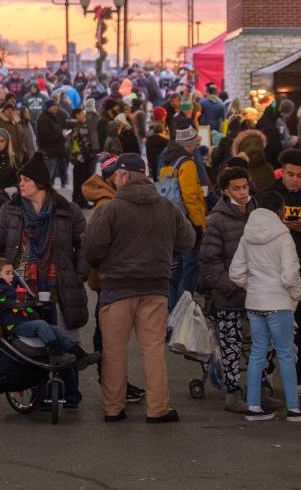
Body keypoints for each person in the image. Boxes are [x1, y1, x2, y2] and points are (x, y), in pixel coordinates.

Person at [82, 152, 195, 424]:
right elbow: (188, 241)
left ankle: (113, 408)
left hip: (116, 290)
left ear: (122, 176)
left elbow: (92, 249)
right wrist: (166, 253)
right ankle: (158, 409)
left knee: (114, 351)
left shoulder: (110, 209)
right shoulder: (167, 207)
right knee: (153, 349)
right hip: (155, 288)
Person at [0, 152, 90, 406]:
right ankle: (39, 394)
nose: (21, 184)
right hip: (22, 285)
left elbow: (84, 245)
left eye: (26, 179)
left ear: (41, 183)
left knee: (64, 335)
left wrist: (80, 273)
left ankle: (70, 395)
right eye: (20, 179)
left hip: (58, 284)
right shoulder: (11, 209)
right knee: (33, 341)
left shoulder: (67, 211)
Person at [228, 194, 301, 423]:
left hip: (255, 303)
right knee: (285, 353)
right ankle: (293, 408)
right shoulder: (284, 236)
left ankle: (253, 406)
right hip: (279, 303)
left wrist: (253, 287)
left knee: (256, 354)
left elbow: (235, 273)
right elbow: (290, 274)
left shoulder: (247, 235)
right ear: (280, 210)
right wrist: (297, 294)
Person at [199, 165, 255, 413]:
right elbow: (209, 262)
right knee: (231, 346)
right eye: (236, 188)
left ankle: (260, 387)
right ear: (225, 191)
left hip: (258, 294)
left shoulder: (257, 214)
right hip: (229, 296)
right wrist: (230, 287)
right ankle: (233, 393)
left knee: (260, 345)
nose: (242, 192)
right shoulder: (217, 221)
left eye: (245, 187)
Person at [0, 257, 98, 368]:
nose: (12, 276)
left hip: (25, 321)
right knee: (41, 325)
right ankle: (55, 354)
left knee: (54, 329)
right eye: (7, 273)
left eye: (12, 273)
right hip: (12, 325)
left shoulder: (12, 287)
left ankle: (80, 355)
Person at [268, 149, 301, 397]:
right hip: (273, 272)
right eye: (290, 174)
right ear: (282, 172)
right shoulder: (269, 195)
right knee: (270, 326)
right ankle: (266, 374)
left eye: (300, 175)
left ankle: (300, 378)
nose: (295, 179)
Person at [158, 125, 207, 309]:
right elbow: (191, 197)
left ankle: (171, 309)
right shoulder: (186, 163)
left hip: (171, 221)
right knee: (190, 266)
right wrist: (199, 224)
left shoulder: (167, 161)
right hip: (188, 223)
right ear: (190, 144)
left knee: (175, 269)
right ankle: (183, 308)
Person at [36, 98, 68, 188]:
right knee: (48, 175)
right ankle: (45, 192)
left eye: (56, 106)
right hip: (49, 151)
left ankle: (50, 188)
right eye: (53, 106)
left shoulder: (51, 117)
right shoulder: (45, 119)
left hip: (55, 151)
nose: (56, 108)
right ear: (48, 107)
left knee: (51, 173)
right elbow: (45, 137)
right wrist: (61, 136)